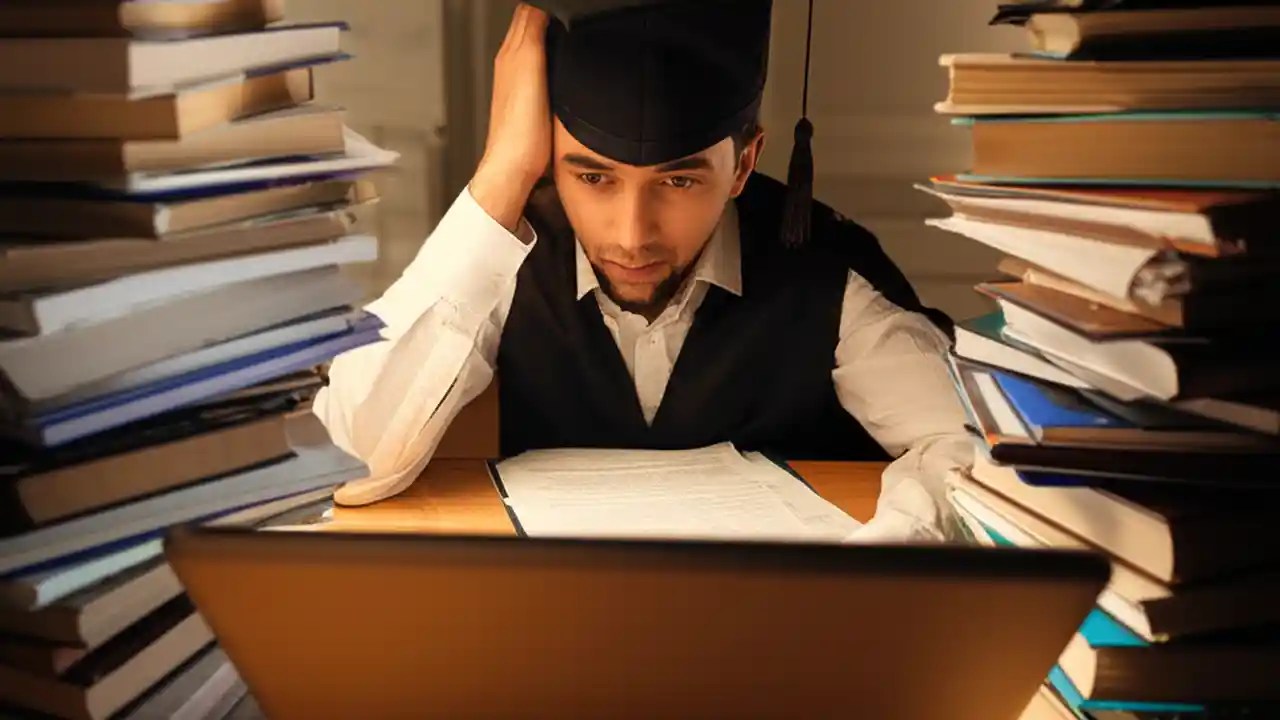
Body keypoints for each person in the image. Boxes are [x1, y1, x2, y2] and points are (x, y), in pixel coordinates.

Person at [315, 0, 973, 541]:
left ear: (744, 164)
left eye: (679, 181)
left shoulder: (828, 273)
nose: (631, 235)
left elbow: (970, 452)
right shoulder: (510, 259)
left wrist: (880, 558)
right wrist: (501, 175)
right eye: (592, 176)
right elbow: (352, 460)